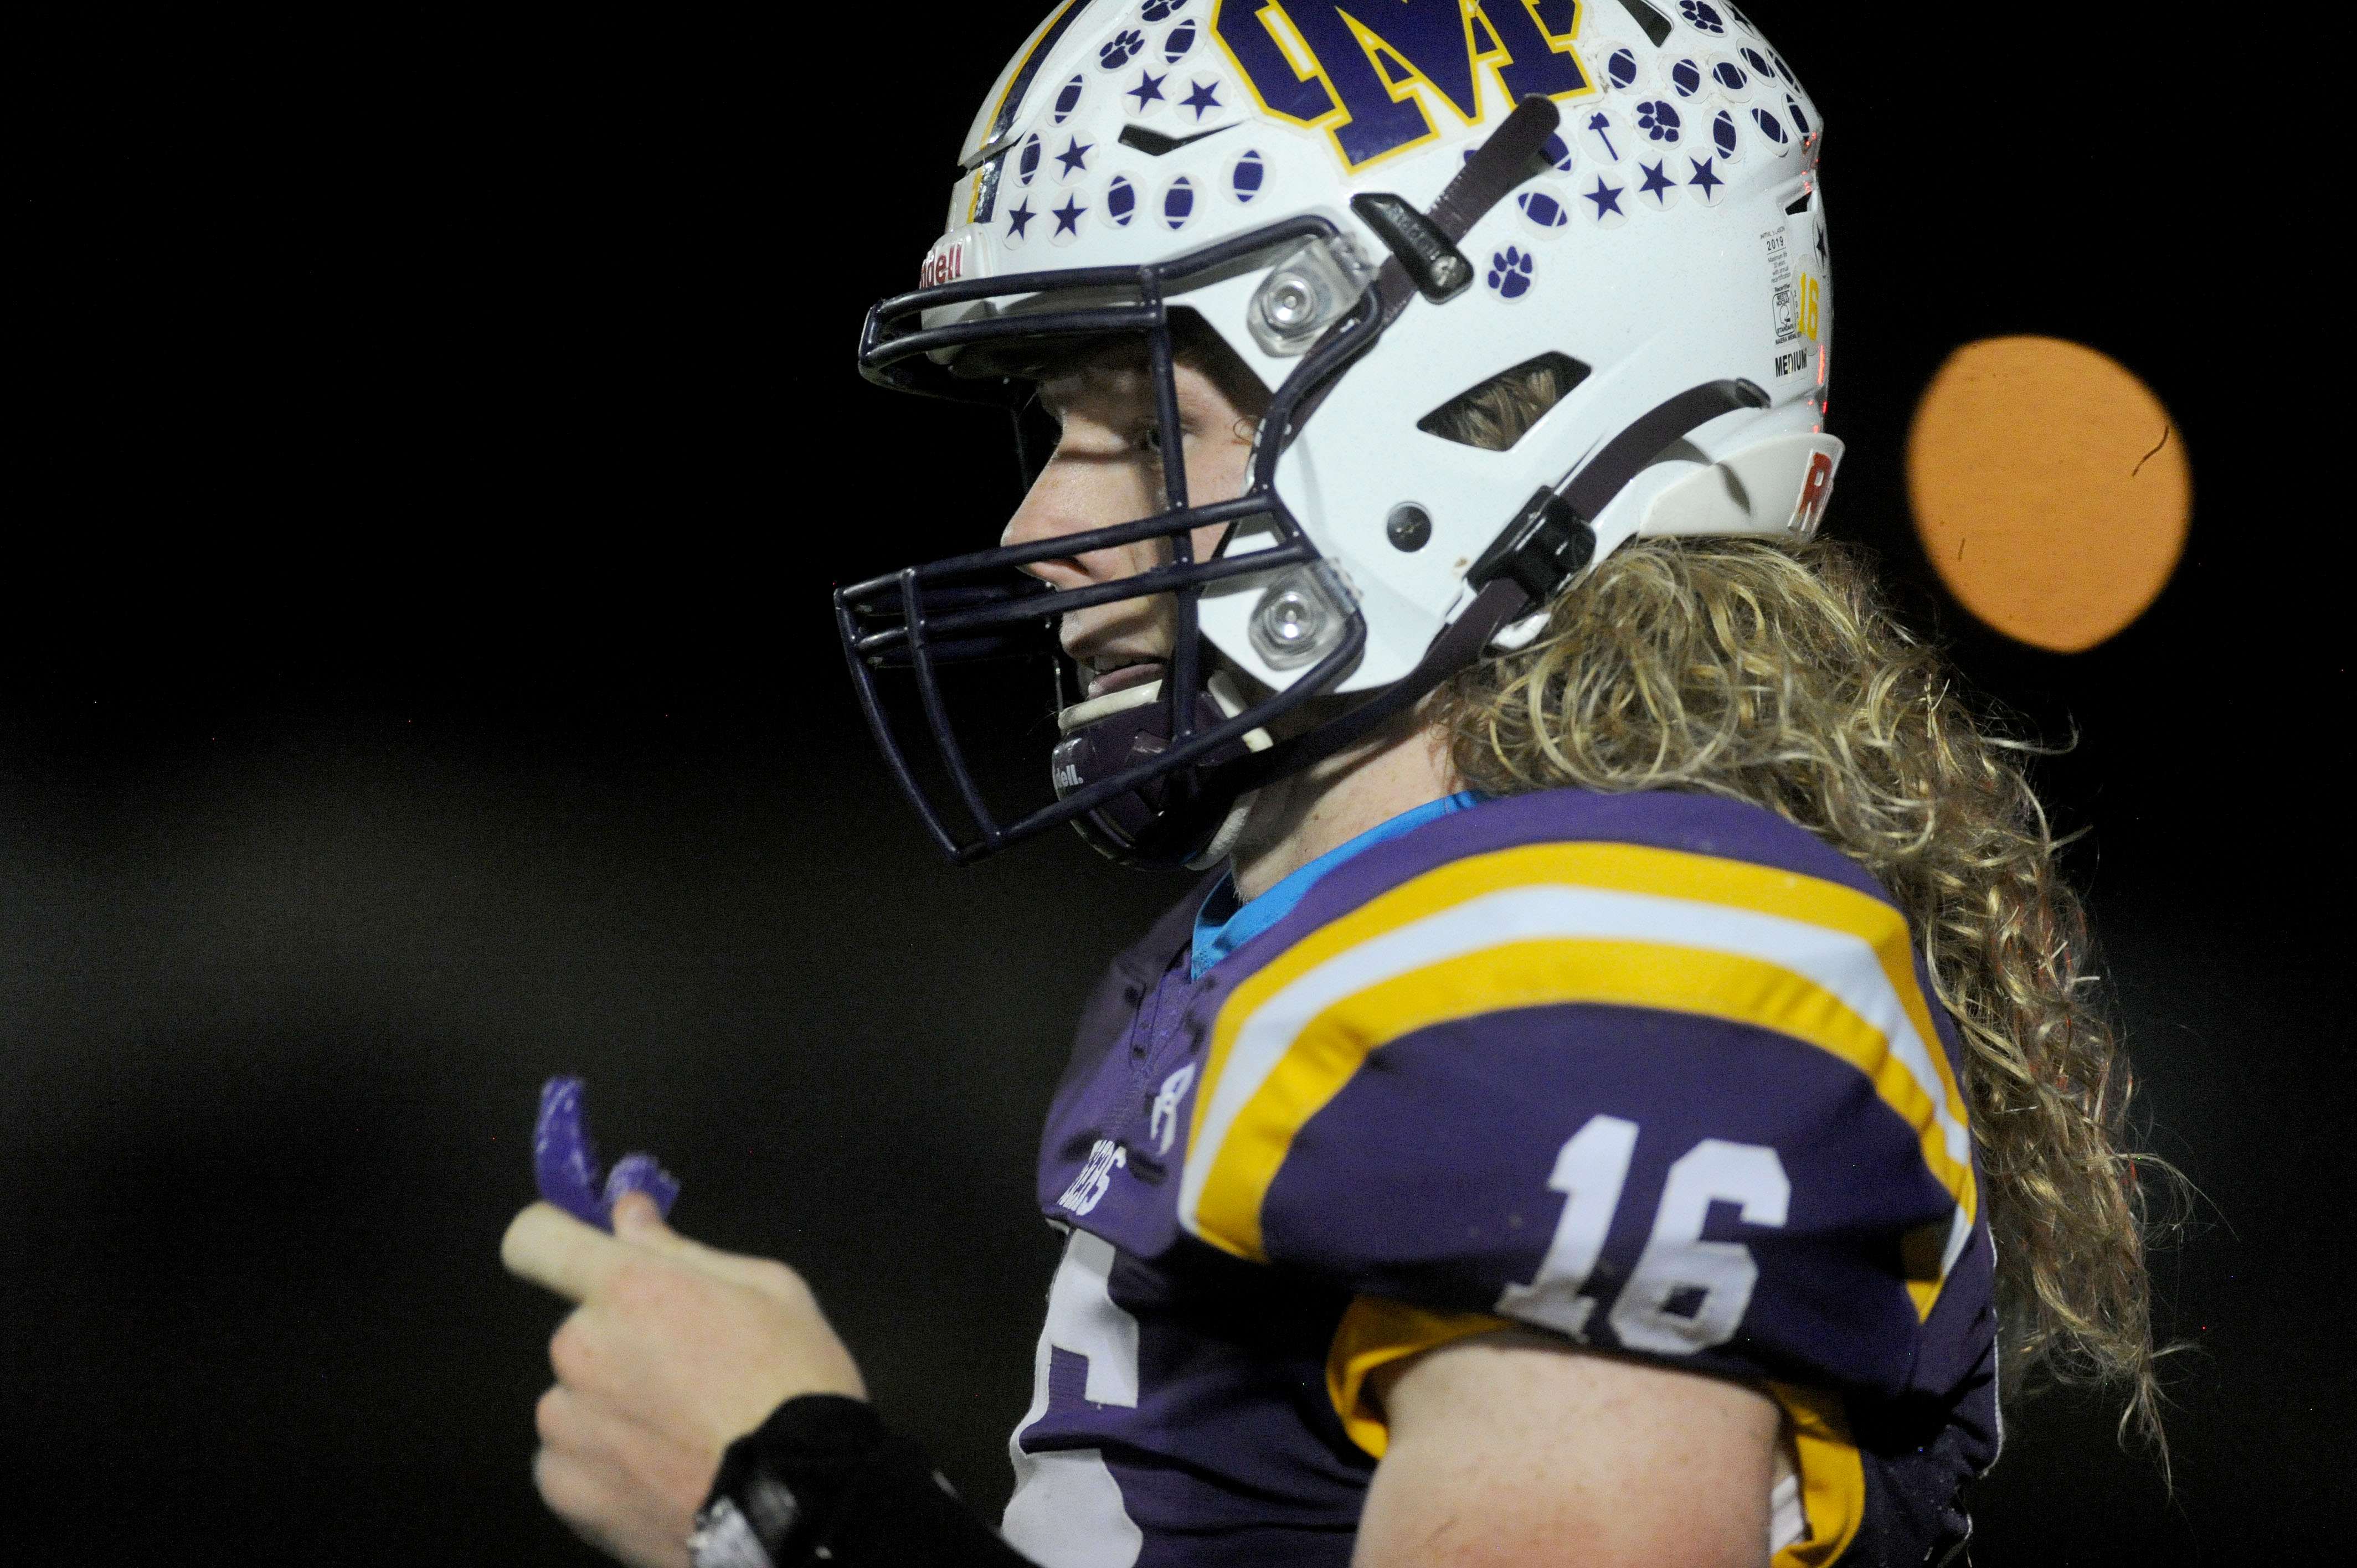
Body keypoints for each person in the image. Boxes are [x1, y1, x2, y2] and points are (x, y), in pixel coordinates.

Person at [503, 4, 2166, 1564]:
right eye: (1058, 429)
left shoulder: (1598, 972)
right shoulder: (1374, 917)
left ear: (1485, 413)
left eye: (1150, 428)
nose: (1030, 536)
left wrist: (786, 1498)